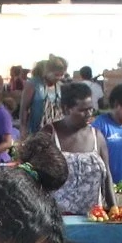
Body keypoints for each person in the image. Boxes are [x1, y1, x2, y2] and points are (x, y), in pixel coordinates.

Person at [44, 82, 112, 214]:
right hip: (58, 218)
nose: (89, 114)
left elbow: (107, 176)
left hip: (93, 218)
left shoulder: (97, 136)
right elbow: (37, 177)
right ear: (66, 109)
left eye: (91, 109)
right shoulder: (50, 134)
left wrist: (114, 208)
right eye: (82, 110)